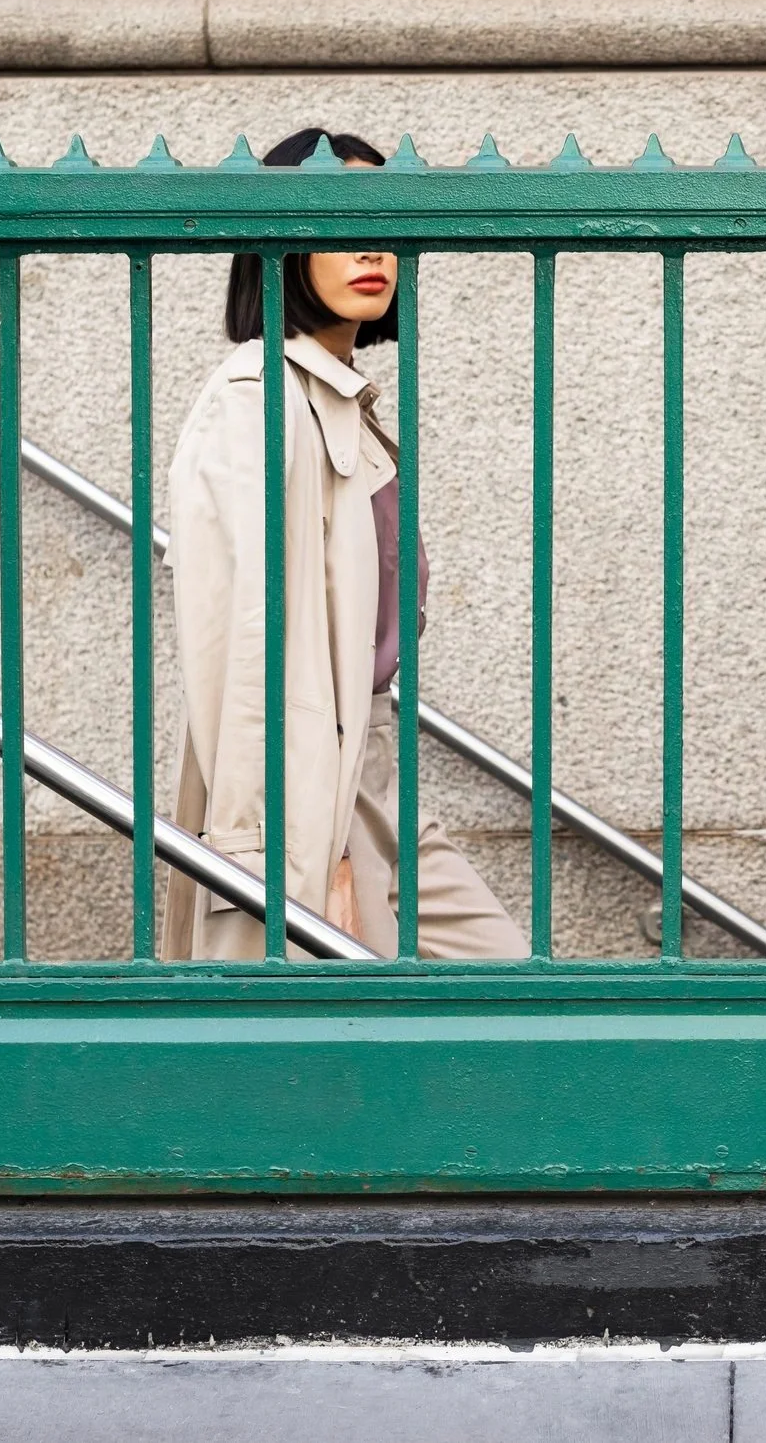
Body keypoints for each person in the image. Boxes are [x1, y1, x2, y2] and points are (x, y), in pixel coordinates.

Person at [160, 127, 529, 962]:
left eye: (383, 221)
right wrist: (265, 845)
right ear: (280, 243)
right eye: (337, 220)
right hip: (307, 784)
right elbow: (247, 648)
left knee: (501, 977)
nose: (370, 246)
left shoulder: (337, 402)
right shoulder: (258, 399)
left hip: (372, 770)